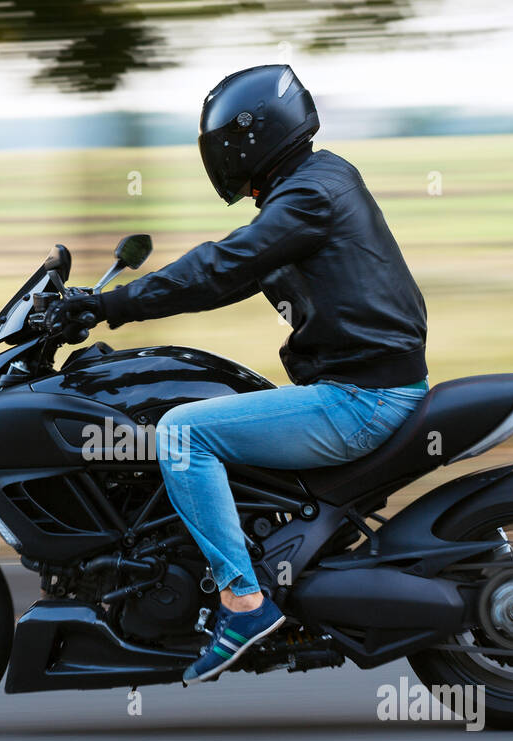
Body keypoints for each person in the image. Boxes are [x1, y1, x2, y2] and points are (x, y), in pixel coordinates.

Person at [51, 64, 429, 684]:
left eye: (222, 142)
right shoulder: (316, 180)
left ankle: (243, 604)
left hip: (362, 398)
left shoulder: (309, 195)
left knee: (181, 433)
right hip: (362, 384)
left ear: (250, 137)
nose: (219, 156)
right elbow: (231, 270)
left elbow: (222, 265)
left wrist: (108, 305)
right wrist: (124, 304)